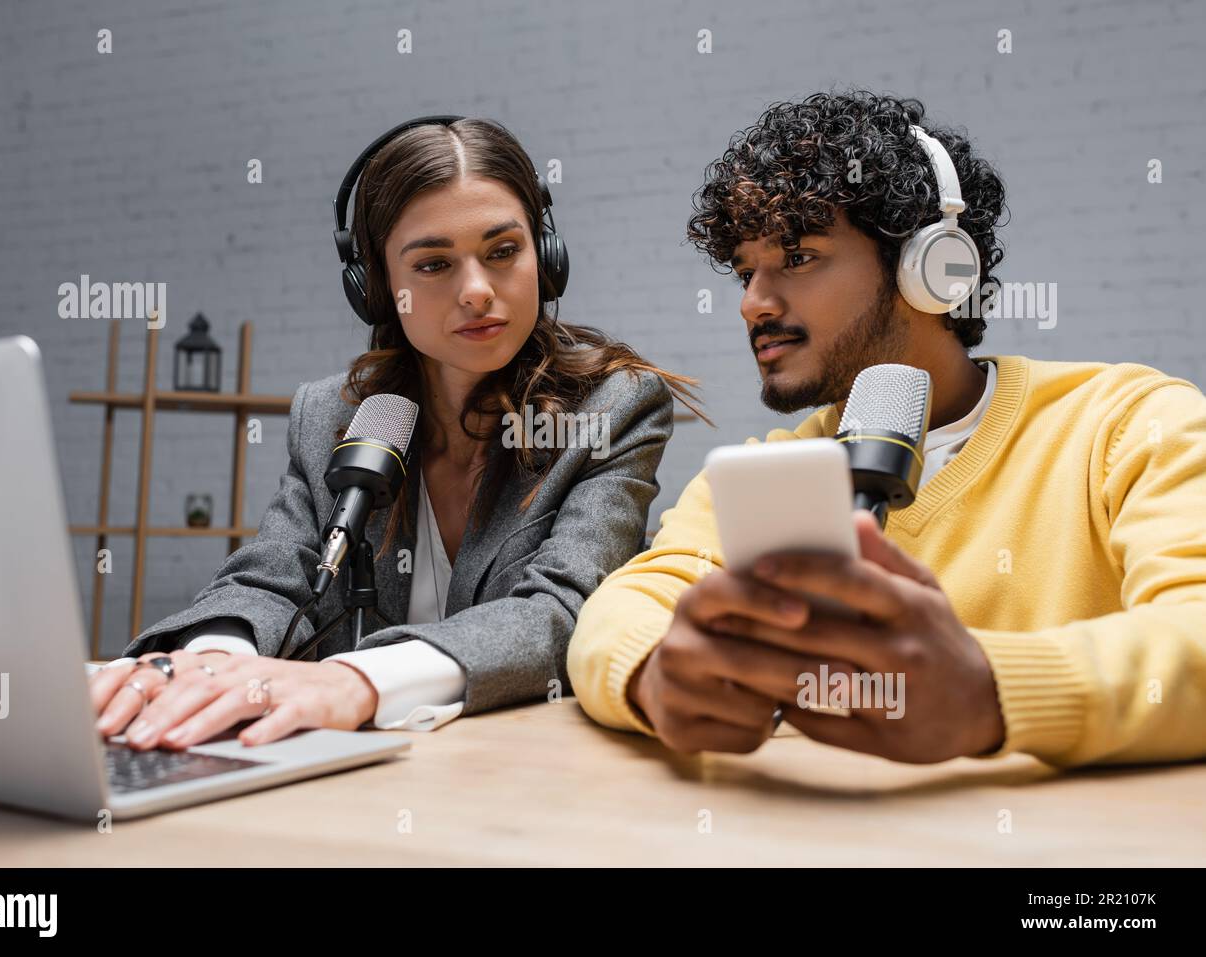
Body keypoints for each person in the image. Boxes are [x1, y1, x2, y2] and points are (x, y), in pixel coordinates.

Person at [568, 90, 1206, 768]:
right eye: (745, 271)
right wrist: (656, 673)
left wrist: (991, 692)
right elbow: (620, 612)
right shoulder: (767, 474)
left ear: (931, 266)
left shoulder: (1129, 424)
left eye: (798, 257)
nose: (754, 302)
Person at [91, 115, 702, 750]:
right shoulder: (332, 413)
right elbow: (270, 578)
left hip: (520, 771)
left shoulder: (612, 407)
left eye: (502, 251)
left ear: (545, 260)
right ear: (380, 290)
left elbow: (562, 612)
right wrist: (214, 660)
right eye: (434, 264)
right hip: (347, 776)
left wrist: (356, 680)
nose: (476, 292)